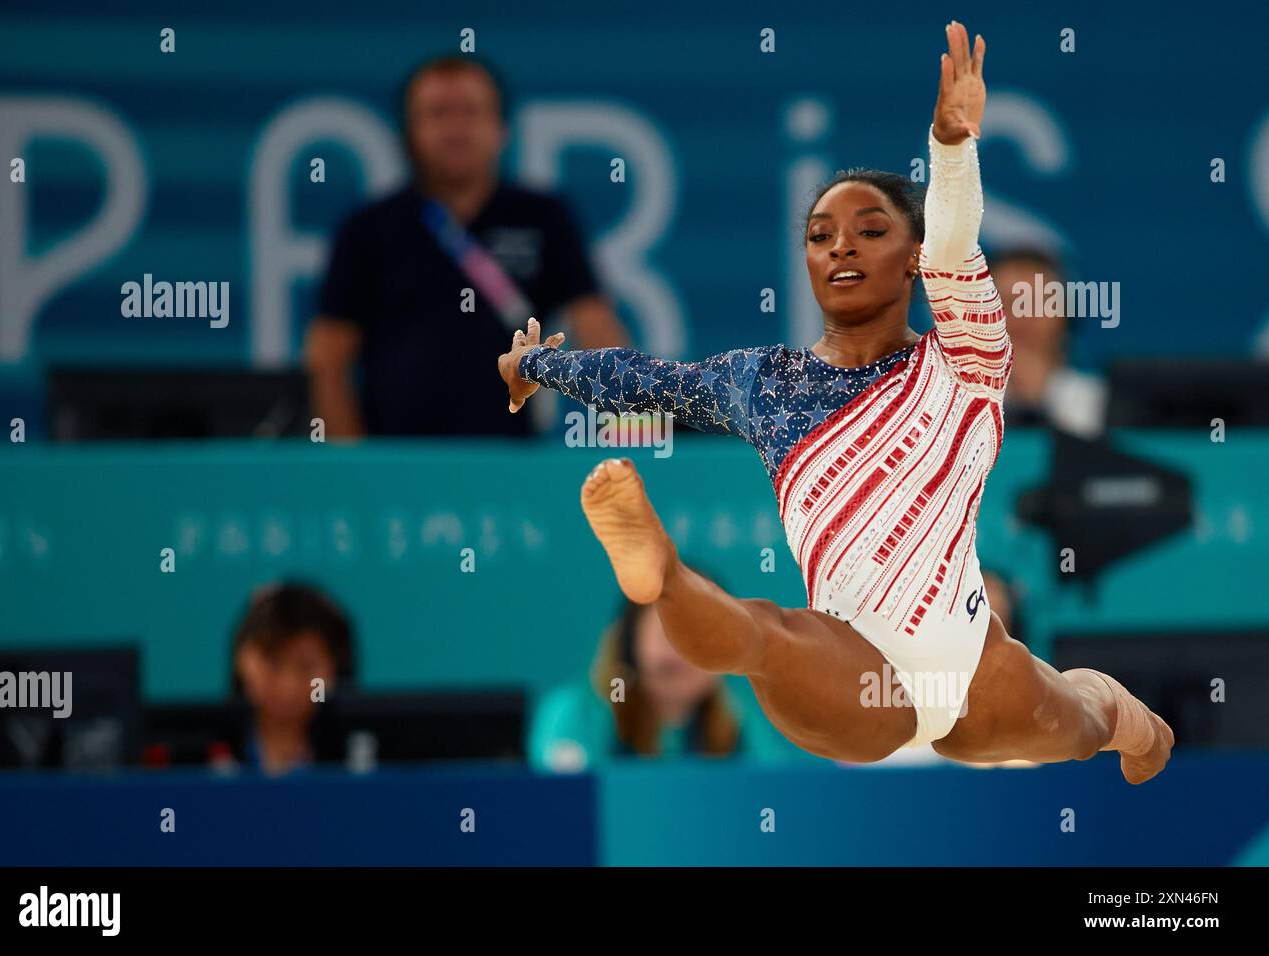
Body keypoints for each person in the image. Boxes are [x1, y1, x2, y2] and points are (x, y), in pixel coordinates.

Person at [498, 23, 1172, 783]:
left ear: (912, 258)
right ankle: (660, 577)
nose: (841, 247)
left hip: (973, 662)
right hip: (854, 663)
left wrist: (951, 147)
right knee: (764, 633)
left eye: (870, 230)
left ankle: (1135, 724)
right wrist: (539, 364)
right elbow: (647, 380)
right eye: (822, 236)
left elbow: (956, 242)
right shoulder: (765, 383)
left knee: (1084, 724)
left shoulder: (966, 357)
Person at [306, 54, 627, 438]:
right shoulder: (368, 228)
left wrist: (632, 437)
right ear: (409, 132)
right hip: (396, 470)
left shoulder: (543, 217)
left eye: (472, 112)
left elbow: (597, 331)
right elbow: (327, 361)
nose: (456, 128)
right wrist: (352, 470)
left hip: (513, 467)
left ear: (502, 128)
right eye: (439, 113)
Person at [530, 591, 795, 772]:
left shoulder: (738, 719)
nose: (687, 656)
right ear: (629, 646)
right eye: (669, 636)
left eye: (705, 640)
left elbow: (776, 791)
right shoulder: (578, 713)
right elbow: (563, 800)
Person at [229, 582, 356, 775]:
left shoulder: (359, 758)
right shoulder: (203, 753)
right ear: (241, 661)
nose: (288, 685)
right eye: (273, 663)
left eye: (306, 667)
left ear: (335, 671)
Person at [990, 247, 1107, 438]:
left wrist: (1044, 393)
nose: (1022, 320)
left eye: (1037, 304)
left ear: (1066, 317)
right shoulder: (941, 402)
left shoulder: (1103, 402)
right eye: (1007, 303)